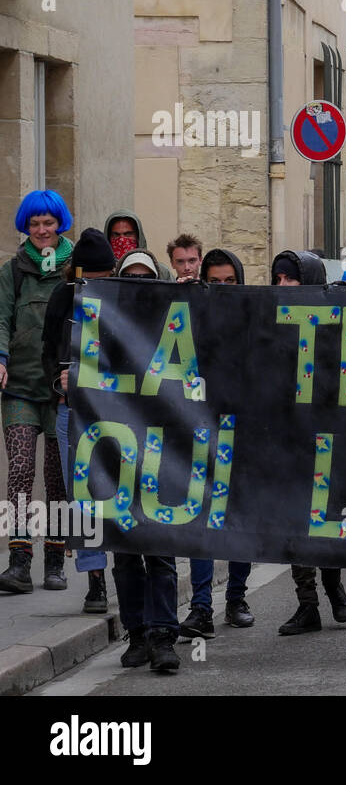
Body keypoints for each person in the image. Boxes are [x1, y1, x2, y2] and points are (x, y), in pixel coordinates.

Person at [271, 249, 346, 635]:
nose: (283, 285)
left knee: (323, 521)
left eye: (291, 278)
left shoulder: (334, 326)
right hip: (286, 439)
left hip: (325, 441)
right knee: (292, 521)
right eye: (278, 278)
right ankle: (307, 603)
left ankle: (334, 585)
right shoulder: (270, 324)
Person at [106, 249, 182, 671]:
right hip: (114, 454)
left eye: (146, 277)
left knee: (161, 549)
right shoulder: (104, 326)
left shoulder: (174, 322)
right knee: (125, 553)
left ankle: (163, 637)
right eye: (130, 277)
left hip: (162, 454)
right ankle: (137, 635)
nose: (138, 284)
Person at [0, 190, 76, 595]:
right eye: (34, 224)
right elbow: (0, 318)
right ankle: (18, 561)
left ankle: (55, 560)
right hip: (20, 387)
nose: (42, 230)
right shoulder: (13, 271)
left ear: (59, 223)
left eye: (48, 222)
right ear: (25, 228)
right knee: (20, 470)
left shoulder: (74, 267)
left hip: (61, 390)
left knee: (58, 475)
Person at [179, 248, 256, 640]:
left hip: (243, 431)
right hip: (201, 429)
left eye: (231, 281)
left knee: (238, 521)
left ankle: (237, 599)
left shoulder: (255, 321)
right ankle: (201, 607)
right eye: (215, 282)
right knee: (202, 520)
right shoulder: (191, 316)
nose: (223, 289)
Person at [41, 228, 115, 612]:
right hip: (73, 412)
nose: (95, 287)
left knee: (120, 498)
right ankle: (95, 582)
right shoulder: (62, 298)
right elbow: (48, 350)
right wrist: (59, 380)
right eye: (90, 280)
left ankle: (127, 574)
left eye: (103, 280)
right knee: (81, 501)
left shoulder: (124, 298)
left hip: (118, 413)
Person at [104, 209, 172, 280]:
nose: (122, 239)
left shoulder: (161, 272)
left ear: (138, 236)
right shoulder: (102, 272)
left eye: (128, 234)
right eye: (116, 235)